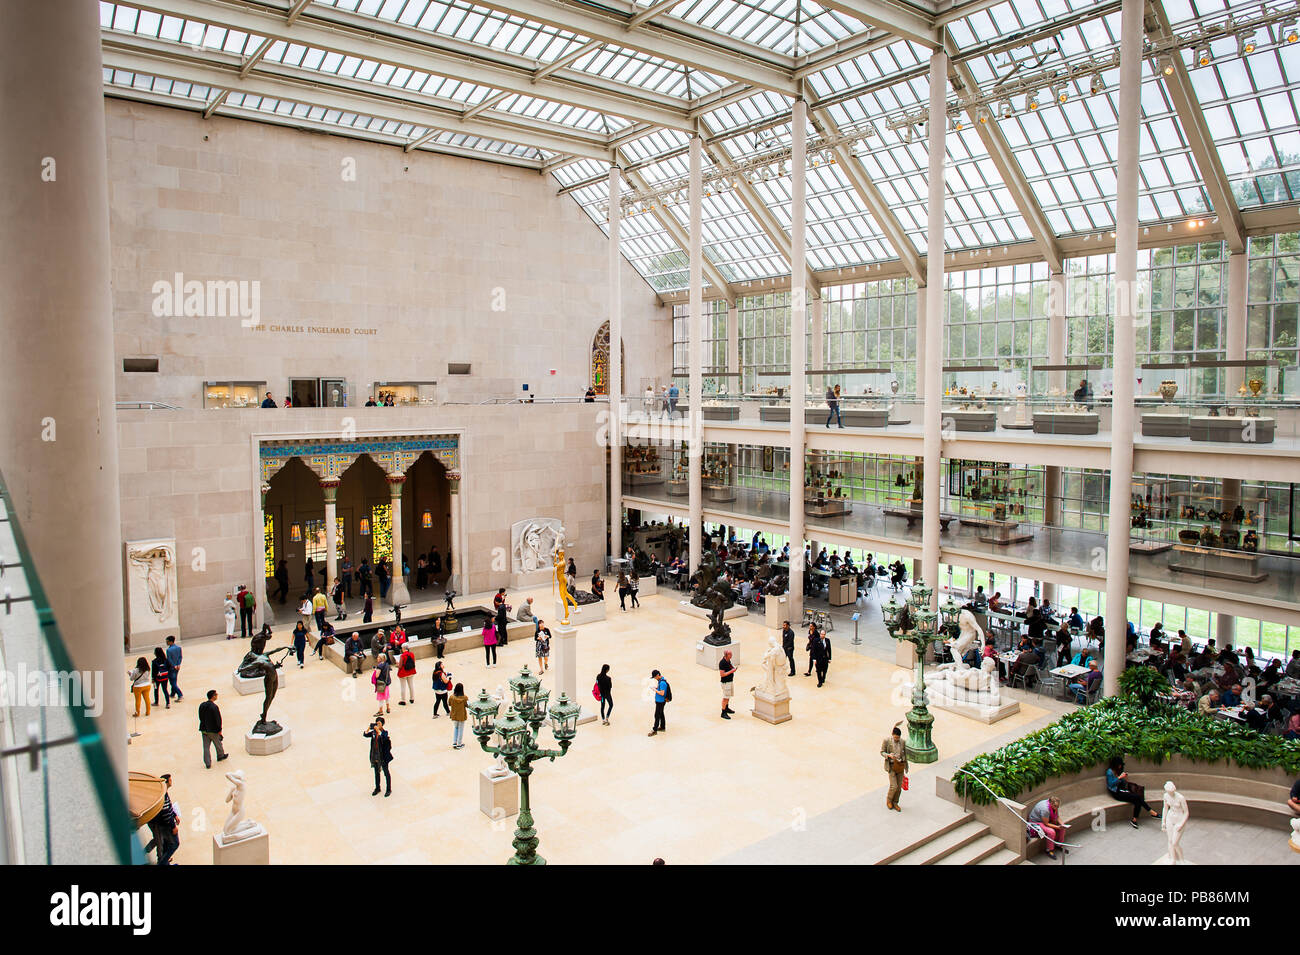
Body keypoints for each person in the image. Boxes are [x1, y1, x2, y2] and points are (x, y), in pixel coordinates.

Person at [1106, 756, 1158, 828]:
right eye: (1119, 765)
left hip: (1122, 790)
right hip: (1116, 792)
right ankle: (1152, 812)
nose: (1120, 766)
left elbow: (1123, 783)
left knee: (1138, 800)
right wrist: (1119, 777)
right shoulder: (1109, 772)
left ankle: (1134, 820)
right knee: (1138, 797)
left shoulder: (1118, 771)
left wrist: (1124, 778)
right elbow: (1110, 784)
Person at [1027, 796, 1067, 860]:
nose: (1057, 808)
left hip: (1046, 820)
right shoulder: (1045, 809)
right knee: (1051, 832)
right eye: (1055, 806)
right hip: (1036, 822)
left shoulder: (1054, 806)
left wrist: (1062, 825)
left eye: (1058, 806)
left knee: (1063, 828)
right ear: (1051, 804)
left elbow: (1057, 817)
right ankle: (1049, 850)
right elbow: (1046, 823)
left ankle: (1059, 844)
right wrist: (1058, 827)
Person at [199, 689, 228, 768]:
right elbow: (218, 720)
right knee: (218, 744)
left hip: (204, 729)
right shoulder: (214, 707)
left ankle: (208, 763)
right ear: (213, 696)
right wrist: (219, 730)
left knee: (206, 747)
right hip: (213, 730)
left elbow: (200, 717)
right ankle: (220, 756)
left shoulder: (202, 705)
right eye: (216, 694)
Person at [881, 725, 907, 812]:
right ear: (893, 735)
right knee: (894, 786)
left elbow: (905, 754)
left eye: (898, 738)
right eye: (895, 738)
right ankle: (889, 800)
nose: (897, 739)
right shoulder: (887, 741)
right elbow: (882, 752)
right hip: (891, 766)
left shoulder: (902, 742)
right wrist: (888, 755)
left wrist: (905, 764)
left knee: (899, 787)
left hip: (900, 765)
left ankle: (895, 802)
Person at [364, 717, 393, 797]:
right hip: (375, 755)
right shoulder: (373, 732)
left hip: (382, 756)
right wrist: (368, 729)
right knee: (376, 772)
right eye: (377, 723)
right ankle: (377, 787)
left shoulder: (384, 732)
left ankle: (388, 789)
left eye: (379, 723)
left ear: (382, 724)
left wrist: (378, 731)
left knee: (386, 772)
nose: (378, 724)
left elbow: (384, 739)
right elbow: (365, 735)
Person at [648, 669, 668, 737]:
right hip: (659, 701)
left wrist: (655, 690)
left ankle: (654, 730)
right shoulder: (661, 681)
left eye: (655, 677)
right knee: (661, 713)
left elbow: (662, 693)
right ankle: (662, 727)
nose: (654, 679)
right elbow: (661, 689)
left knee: (657, 715)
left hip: (660, 702)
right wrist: (657, 687)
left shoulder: (662, 683)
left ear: (658, 675)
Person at [164, 635, 184, 703]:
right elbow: (180, 657)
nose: (166, 643)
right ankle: (172, 693)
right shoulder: (178, 648)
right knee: (174, 680)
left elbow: (169, 659)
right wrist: (178, 664)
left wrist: (174, 665)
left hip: (171, 668)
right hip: (177, 667)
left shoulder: (169, 650)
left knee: (172, 682)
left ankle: (180, 695)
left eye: (167, 641)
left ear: (170, 642)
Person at [449, 683, 469, 749]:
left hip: (454, 715)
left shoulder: (452, 697)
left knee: (456, 728)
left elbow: (449, 704)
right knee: (461, 729)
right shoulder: (464, 698)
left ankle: (454, 742)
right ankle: (459, 744)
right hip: (462, 715)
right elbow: (467, 705)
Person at [719, 649, 736, 720]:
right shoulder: (722, 663)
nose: (731, 655)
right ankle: (723, 712)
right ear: (726, 655)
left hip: (730, 681)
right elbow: (722, 674)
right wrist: (732, 671)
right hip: (726, 683)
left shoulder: (728, 660)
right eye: (730, 654)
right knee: (725, 697)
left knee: (728, 696)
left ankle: (726, 708)